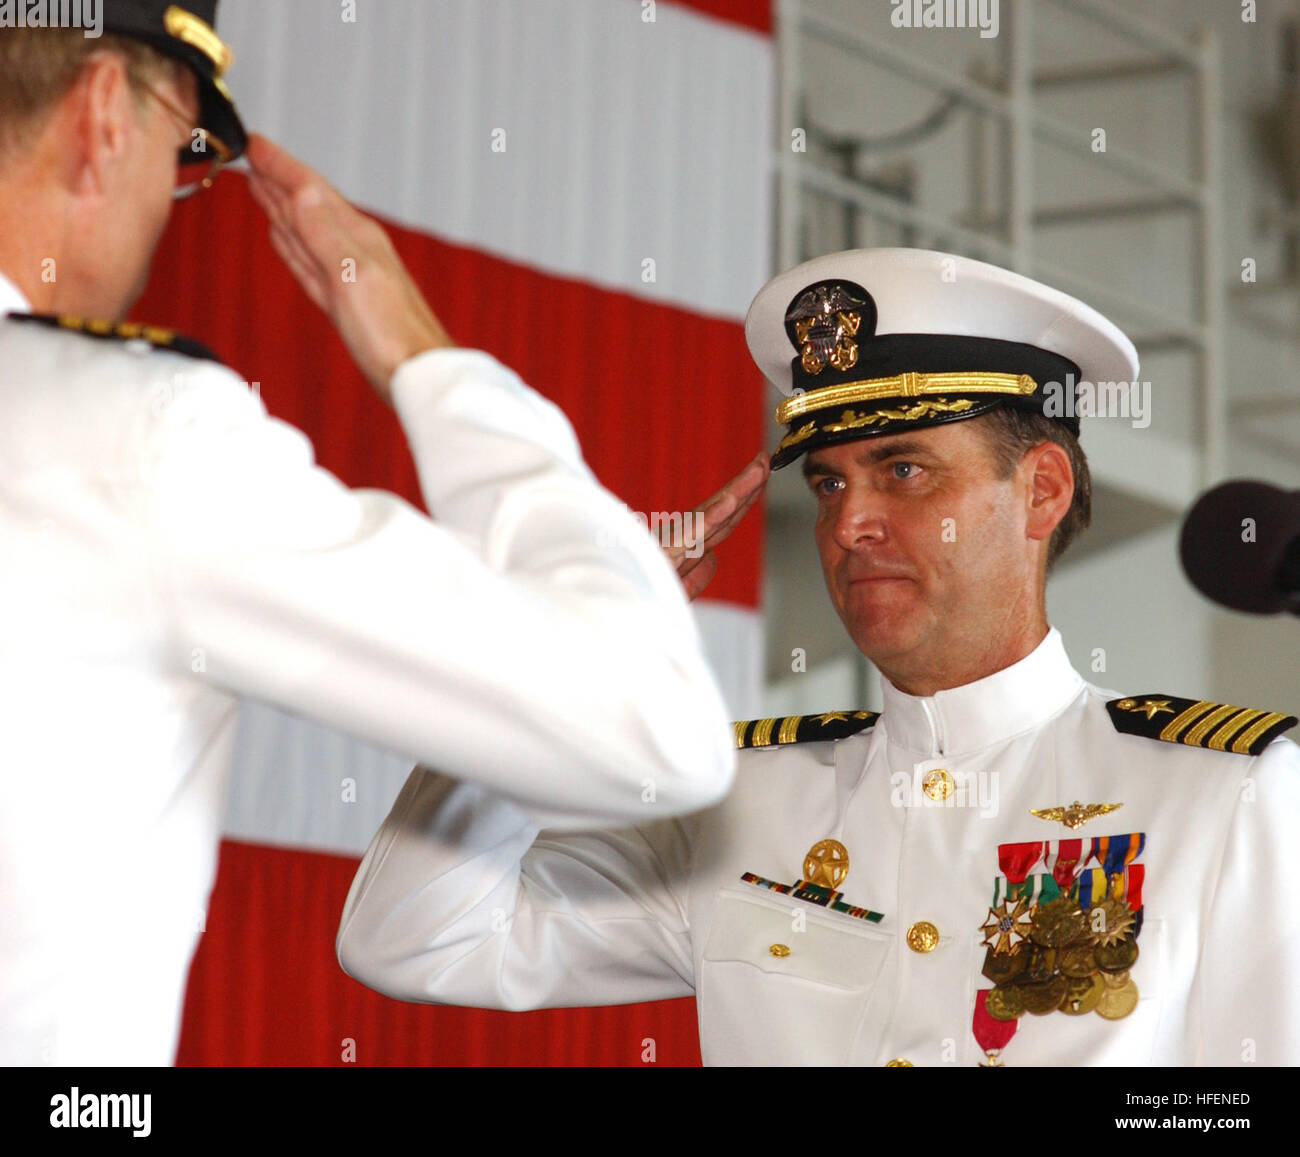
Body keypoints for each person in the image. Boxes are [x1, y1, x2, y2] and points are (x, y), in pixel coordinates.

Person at [0, 1, 743, 1066]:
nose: (171, 204)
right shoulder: (129, 435)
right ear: (106, 113)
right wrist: (425, 355)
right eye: (182, 152)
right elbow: (653, 729)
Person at [337, 247, 1300, 1066]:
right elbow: (414, 937)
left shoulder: (1223, 791)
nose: (850, 522)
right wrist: (562, 648)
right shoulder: (736, 798)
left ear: (1040, 490)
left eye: (905, 470)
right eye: (831, 481)